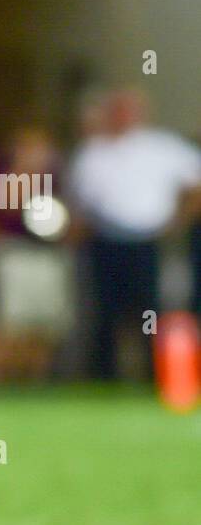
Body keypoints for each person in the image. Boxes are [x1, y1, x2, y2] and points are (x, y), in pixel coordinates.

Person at [68, 88, 201, 378]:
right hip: (104, 241)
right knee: (105, 312)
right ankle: (104, 376)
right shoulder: (92, 152)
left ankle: (155, 376)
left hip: (148, 243)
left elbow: (195, 182)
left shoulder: (162, 146)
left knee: (150, 311)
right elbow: (79, 203)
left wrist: (178, 221)